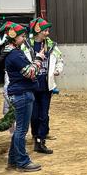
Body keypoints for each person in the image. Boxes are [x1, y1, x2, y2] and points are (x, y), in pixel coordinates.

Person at [4, 22, 45, 172]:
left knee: (19, 130)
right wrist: (39, 59)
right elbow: (30, 73)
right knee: (21, 130)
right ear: (13, 38)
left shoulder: (12, 53)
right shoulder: (15, 54)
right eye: (21, 36)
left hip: (19, 93)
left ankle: (13, 159)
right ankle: (22, 161)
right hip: (22, 93)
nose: (24, 38)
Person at [24, 17, 64, 154]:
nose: (47, 33)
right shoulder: (25, 45)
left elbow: (60, 59)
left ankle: (41, 140)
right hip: (31, 86)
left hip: (46, 86)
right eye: (45, 30)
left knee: (43, 115)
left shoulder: (52, 45)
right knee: (33, 115)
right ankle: (35, 135)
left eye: (47, 30)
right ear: (37, 31)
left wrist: (58, 69)